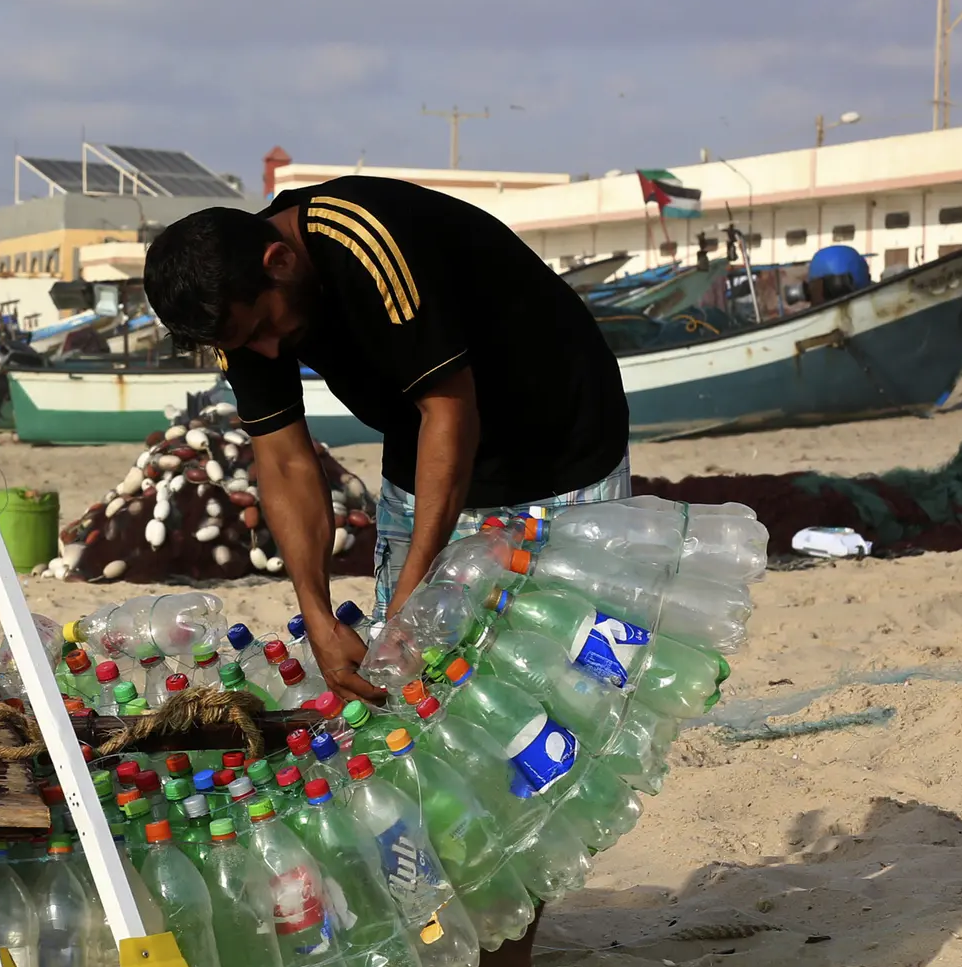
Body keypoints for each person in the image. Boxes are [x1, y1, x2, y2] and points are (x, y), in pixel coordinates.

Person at [146, 175, 629, 705]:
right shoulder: (235, 316)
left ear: (279, 261)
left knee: (577, 681)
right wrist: (318, 617)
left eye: (263, 327)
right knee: (415, 689)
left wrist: (410, 600)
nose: (266, 352)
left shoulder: (364, 240)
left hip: (558, 443)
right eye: (246, 342)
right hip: (421, 449)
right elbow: (283, 460)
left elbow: (449, 409)